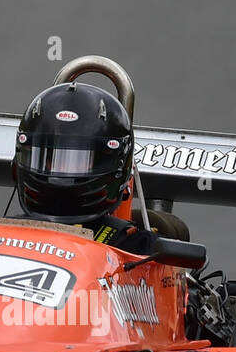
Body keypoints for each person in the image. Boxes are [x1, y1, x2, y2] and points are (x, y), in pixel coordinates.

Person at [11, 81, 166, 254]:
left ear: (117, 166)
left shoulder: (141, 248)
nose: (62, 171)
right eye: (49, 159)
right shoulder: (2, 234)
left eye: (78, 160)